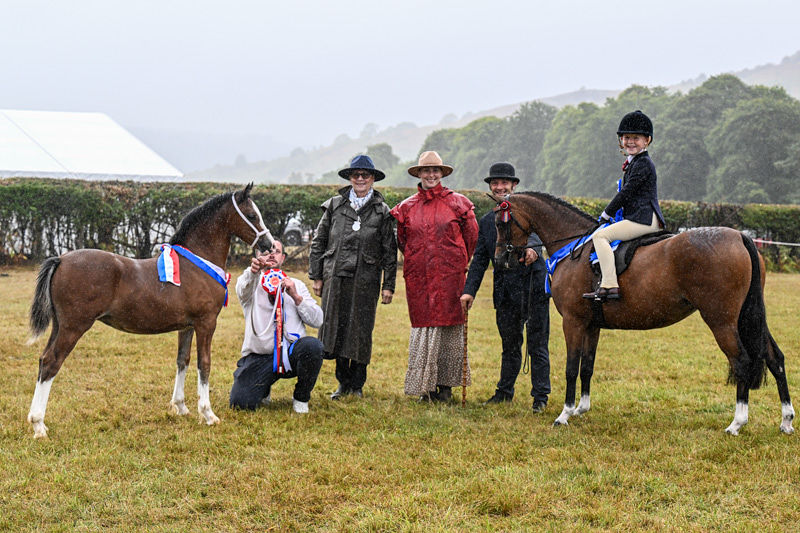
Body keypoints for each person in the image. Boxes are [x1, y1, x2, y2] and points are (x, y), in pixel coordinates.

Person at [461, 162, 551, 412]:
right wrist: (469, 291)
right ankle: (504, 392)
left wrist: (534, 249)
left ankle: (540, 397)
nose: (499, 187)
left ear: (514, 185)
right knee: (509, 345)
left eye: (504, 183)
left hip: (533, 286)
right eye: (495, 183)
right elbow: (480, 259)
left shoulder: (531, 211)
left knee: (537, 344)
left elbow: (539, 235)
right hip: (505, 291)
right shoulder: (487, 221)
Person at [390, 151, 479, 402]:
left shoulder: (458, 204)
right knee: (424, 328)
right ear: (419, 174)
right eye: (426, 170)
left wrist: (455, 260)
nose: (431, 175)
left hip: (451, 278)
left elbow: (471, 238)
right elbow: (403, 241)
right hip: (420, 279)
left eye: (435, 170)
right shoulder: (406, 208)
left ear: (442, 173)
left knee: (450, 328)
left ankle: (446, 387)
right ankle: (426, 387)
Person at [309, 154, 397, 400]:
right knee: (336, 327)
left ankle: (357, 384)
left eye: (365, 175)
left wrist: (388, 285)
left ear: (372, 179)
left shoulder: (382, 211)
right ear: (349, 178)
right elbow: (319, 242)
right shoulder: (334, 206)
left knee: (360, 330)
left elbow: (390, 252)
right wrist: (317, 276)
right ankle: (342, 382)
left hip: (366, 281)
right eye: (356, 175)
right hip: (335, 277)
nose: (360, 179)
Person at [229, 240, 324, 414]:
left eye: (276, 251)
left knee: (313, 347)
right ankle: (263, 388)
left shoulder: (296, 284)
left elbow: (318, 320)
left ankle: (301, 397)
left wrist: (296, 297)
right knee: (240, 403)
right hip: (260, 357)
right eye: (266, 252)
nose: (271, 254)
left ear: (283, 258)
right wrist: (252, 272)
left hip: (291, 354)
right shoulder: (250, 281)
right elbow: (242, 290)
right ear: (257, 256)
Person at [582, 110, 666, 301]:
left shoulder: (643, 163)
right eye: (627, 138)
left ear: (647, 140)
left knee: (600, 236)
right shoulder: (635, 162)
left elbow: (626, 193)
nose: (630, 142)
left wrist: (606, 213)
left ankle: (609, 284)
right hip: (639, 216)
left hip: (643, 218)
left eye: (636, 138)